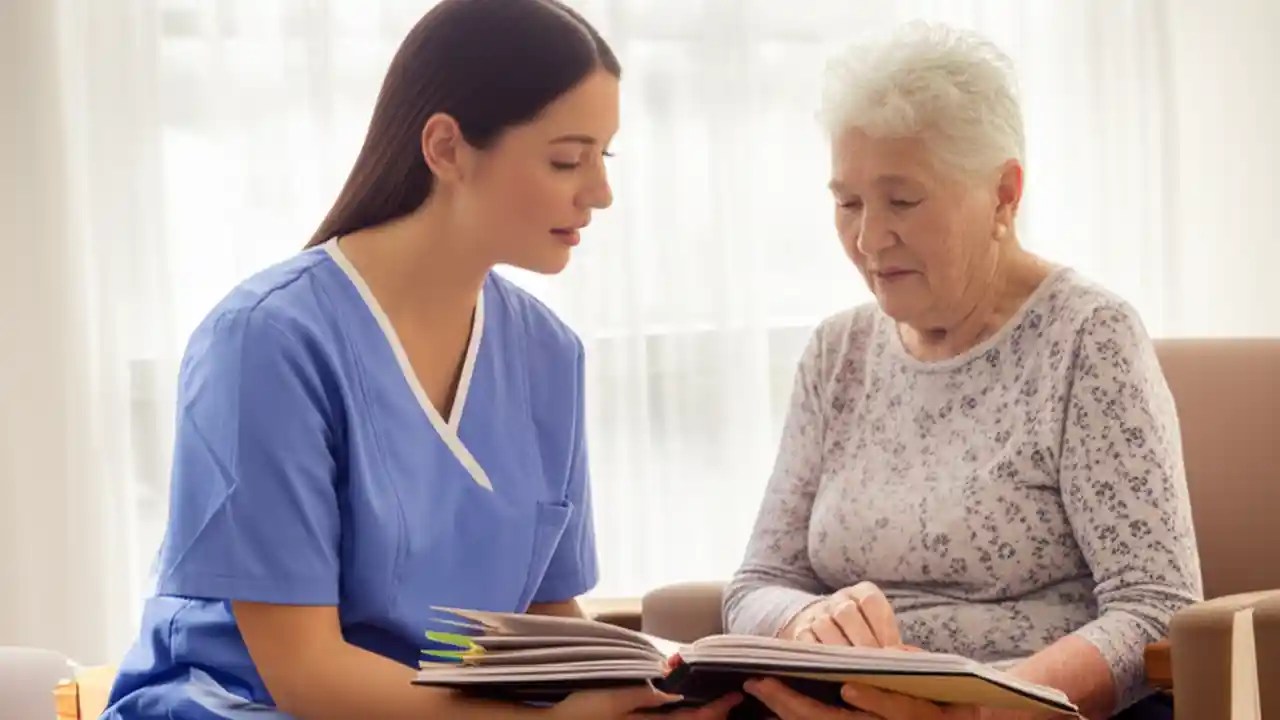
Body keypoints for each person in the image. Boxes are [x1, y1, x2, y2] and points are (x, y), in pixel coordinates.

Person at [99, 2, 743, 718]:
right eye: (568, 158)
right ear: (445, 148)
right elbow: (305, 674)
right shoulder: (265, 342)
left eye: (604, 156)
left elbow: (547, 617)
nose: (600, 193)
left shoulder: (547, 354)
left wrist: (652, 695)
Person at [724, 21, 1201, 720]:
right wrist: (805, 624)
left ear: (1004, 193)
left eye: (903, 201)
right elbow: (758, 583)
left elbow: (1156, 607)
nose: (868, 238)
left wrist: (982, 709)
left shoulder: (1088, 337)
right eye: (847, 202)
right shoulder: (837, 352)